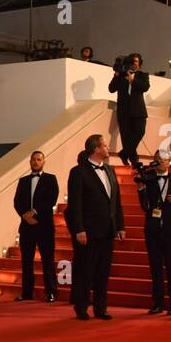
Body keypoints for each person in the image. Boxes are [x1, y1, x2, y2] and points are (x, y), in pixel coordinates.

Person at [64, 134, 124, 320]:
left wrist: (120, 226)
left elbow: (116, 201)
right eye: (105, 146)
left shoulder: (110, 170)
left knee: (103, 271)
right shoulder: (78, 172)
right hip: (88, 231)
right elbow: (75, 204)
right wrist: (79, 229)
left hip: (108, 230)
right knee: (85, 270)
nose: (108, 149)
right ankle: (81, 306)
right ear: (96, 149)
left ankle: (100, 307)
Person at [136, 149, 171, 314]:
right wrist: (140, 189)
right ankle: (157, 302)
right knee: (155, 267)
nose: (159, 162)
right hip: (152, 230)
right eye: (157, 159)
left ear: (169, 162)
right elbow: (144, 206)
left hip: (170, 230)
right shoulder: (149, 179)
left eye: (162, 159)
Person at [12, 149, 57, 302]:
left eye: (39, 159)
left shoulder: (51, 179)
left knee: (47, 261)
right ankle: (26, 293)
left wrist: (34, 212)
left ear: (43, 162)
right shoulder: (23, 181)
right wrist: (25, 216)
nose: (36, 162)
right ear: (30, 162)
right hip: (26, 227)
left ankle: (51, 292)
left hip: (44, 226)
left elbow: (51, 200)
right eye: (33, 159)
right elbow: (17, 201)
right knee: (26, 261)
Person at [108, 53, 149, 167]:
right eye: (131, 61)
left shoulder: (143, 75)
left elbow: (145, 87)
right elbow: (111, 89)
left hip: (139, 111)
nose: (133, 63)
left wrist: (132, 80)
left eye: (136, 61)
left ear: (139, 64)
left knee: (140, 131)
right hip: (124, 111)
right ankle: (134, 160)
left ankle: (124, 153)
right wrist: (116, 75)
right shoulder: (120, 75)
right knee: (126, 137)